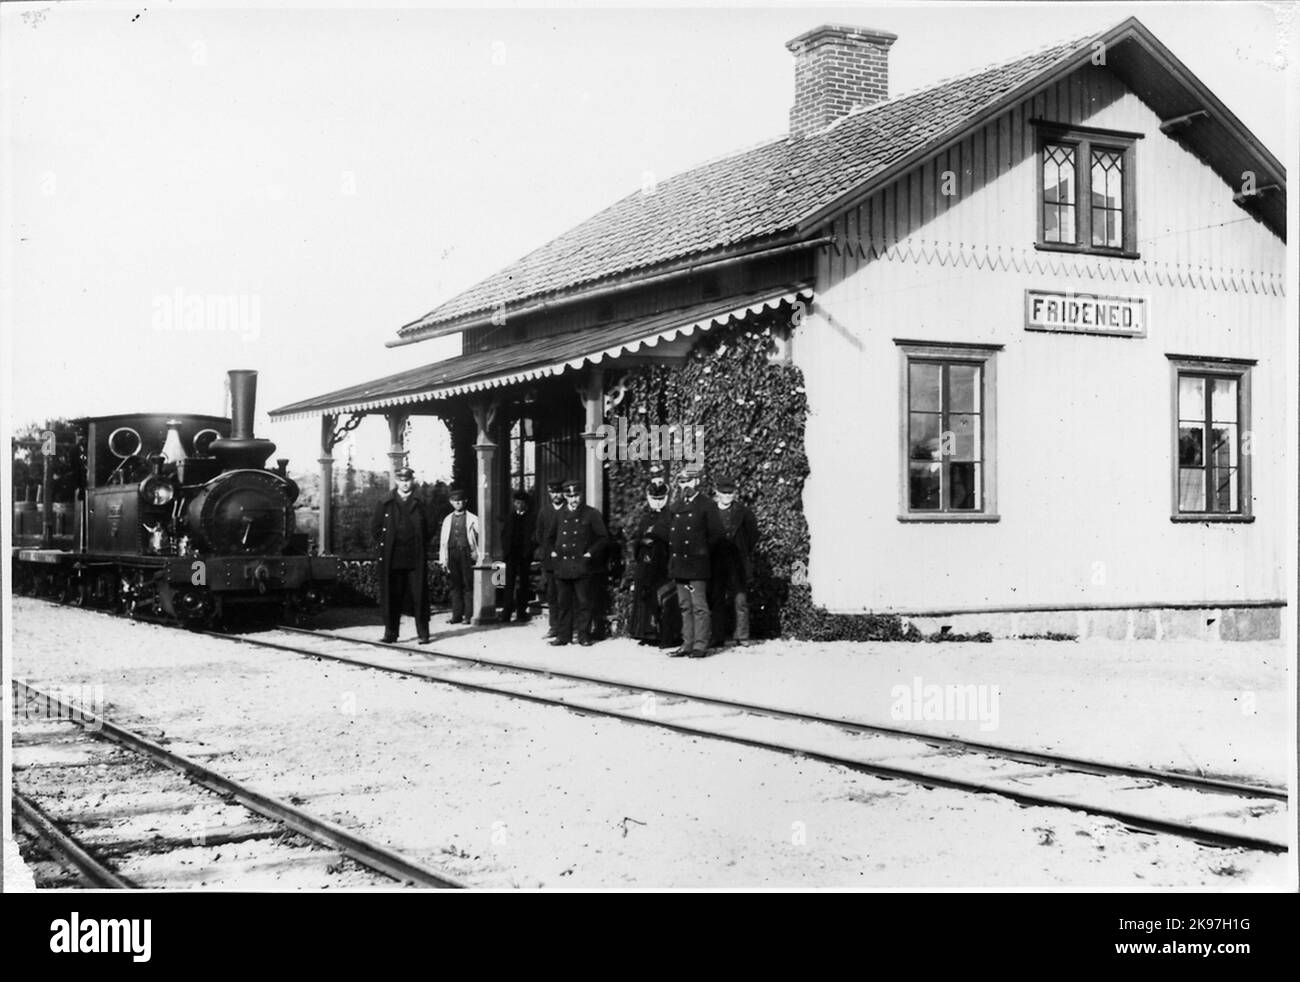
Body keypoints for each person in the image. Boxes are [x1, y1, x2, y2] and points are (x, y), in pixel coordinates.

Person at [370, 465, 433, 644]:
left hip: (415, 557)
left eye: (408, 480)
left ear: (412, 481)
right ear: (397, 481)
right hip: (393, 558)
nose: (405, 484)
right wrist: (387, 544)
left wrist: (420, 543)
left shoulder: (421, 502)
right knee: (392, 596)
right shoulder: (385, 502)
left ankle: (423, 633)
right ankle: (391, 633)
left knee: (419, 596)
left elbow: (430, 526)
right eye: (401, 480)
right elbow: (375, 528)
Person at [542, 478, 607, 647]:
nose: (574, 499)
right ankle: (563, 636)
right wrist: (553, 553)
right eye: (570, 496)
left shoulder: (591, 514)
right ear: (565, 496)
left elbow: (603, 538)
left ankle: (583, 635)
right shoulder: (559, 514)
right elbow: (548, 538)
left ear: (581, 495)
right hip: (562, 565)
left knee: (584, 602)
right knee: (563, 603)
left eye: (576, 495)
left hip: (581, 565)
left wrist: (589, 554)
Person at [668, 463, 723, 658]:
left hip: (697, 564)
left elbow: (717, 535)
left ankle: (700, 645)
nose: (685, 485)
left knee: (699, 606)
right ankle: (687, 644)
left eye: (689, 481)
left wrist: (702, 552)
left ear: (697, 481)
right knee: (685, 606)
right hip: (680, 564)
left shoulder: (707, 505)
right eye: (682, 482)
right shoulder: (676, 506)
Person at [627, 477, 681, 648]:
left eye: (660, 499)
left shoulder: (670, 516)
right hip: (645, 563)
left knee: (661, 597)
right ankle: (645, 633)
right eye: (654, 499)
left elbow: (672, 537)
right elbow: (637, 538)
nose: (657, 502)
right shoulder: (645, 518)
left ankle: (662, 634)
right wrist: (642, 542)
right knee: (644, 596)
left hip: (662, 563)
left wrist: (655, 535)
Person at [710, 474, 759, 647]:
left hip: (737, 562)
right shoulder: (710, 511)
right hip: (716, 561)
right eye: (724, 493)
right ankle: (717, 636)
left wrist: (743, 551)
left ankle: (742, 635)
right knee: (716, 598)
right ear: (717, 492)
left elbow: (753, 535)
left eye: (730, 493)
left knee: (740, 599)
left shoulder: (743, 512)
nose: (727, 496)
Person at [438, 487, 482, 624]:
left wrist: (477, 552)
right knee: (455, 585)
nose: (458, 503)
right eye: (455, 501)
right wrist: (443, 559)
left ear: (465, 501)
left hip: (466, 553)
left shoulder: (473, 519)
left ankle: (468, 615)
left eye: (460, 500)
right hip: (452, 553)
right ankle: (456, 615)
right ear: (451, 502)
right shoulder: (447, 519)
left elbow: (482, 536)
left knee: (468, 584)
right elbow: (443, 541)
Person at [533, 479, 565, 638]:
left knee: (566, 594)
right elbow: (539, 535)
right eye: (553, 492)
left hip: (566, 559)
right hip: (550, 560)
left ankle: (568, 627)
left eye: (558, 492)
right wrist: (547, 551)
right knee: (552, 594)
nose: (556, 495)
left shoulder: (568, 510)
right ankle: (554, 627)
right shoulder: (544, 512)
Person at [500, 489, 536, 623]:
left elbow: (534, 537)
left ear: (526, 504)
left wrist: (529, 551)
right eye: (517, 502)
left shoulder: (532, 518)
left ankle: (521, 612)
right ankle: (506, 613)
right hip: (511, 555)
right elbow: (504, 535)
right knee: (508, 584)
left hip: (524, 556)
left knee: (523, 584)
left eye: (522, 503)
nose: (519, 505)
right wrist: (506, 552)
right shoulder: (510, 517)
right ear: (514, 503)